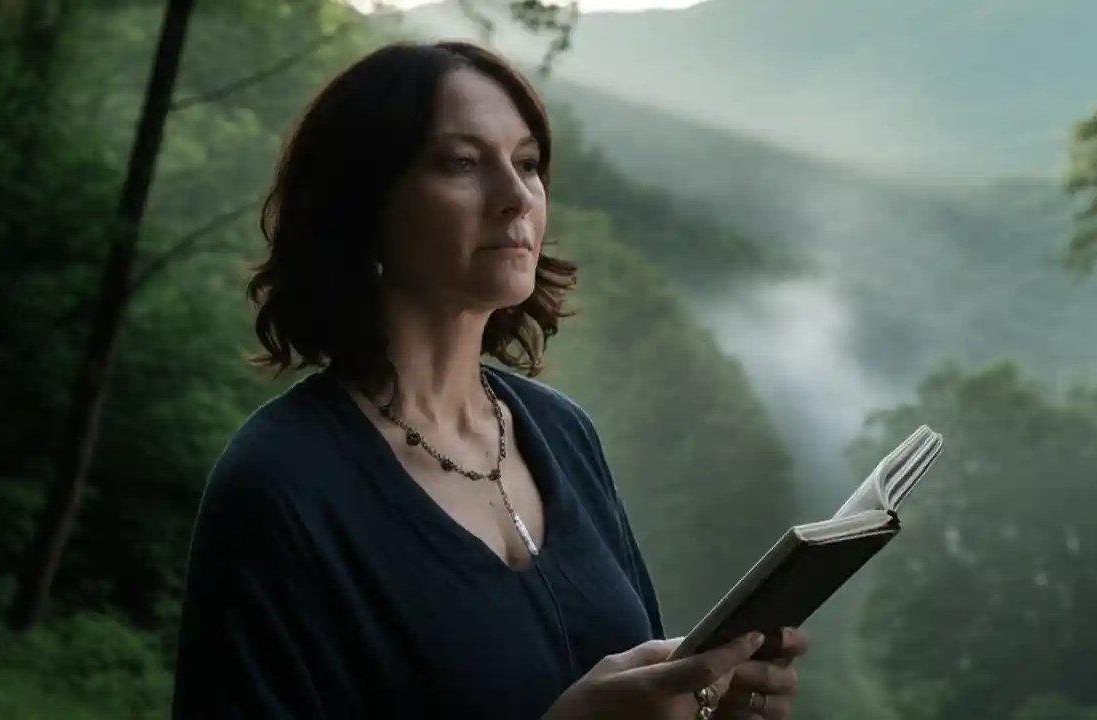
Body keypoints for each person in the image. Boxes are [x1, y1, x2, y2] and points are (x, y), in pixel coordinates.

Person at [170, 40, 808, 719]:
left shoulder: (562, 433)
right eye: (462, 164)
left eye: (528, 164)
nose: (516, 198)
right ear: (360, 203)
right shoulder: (281, 484)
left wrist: (707, 704)